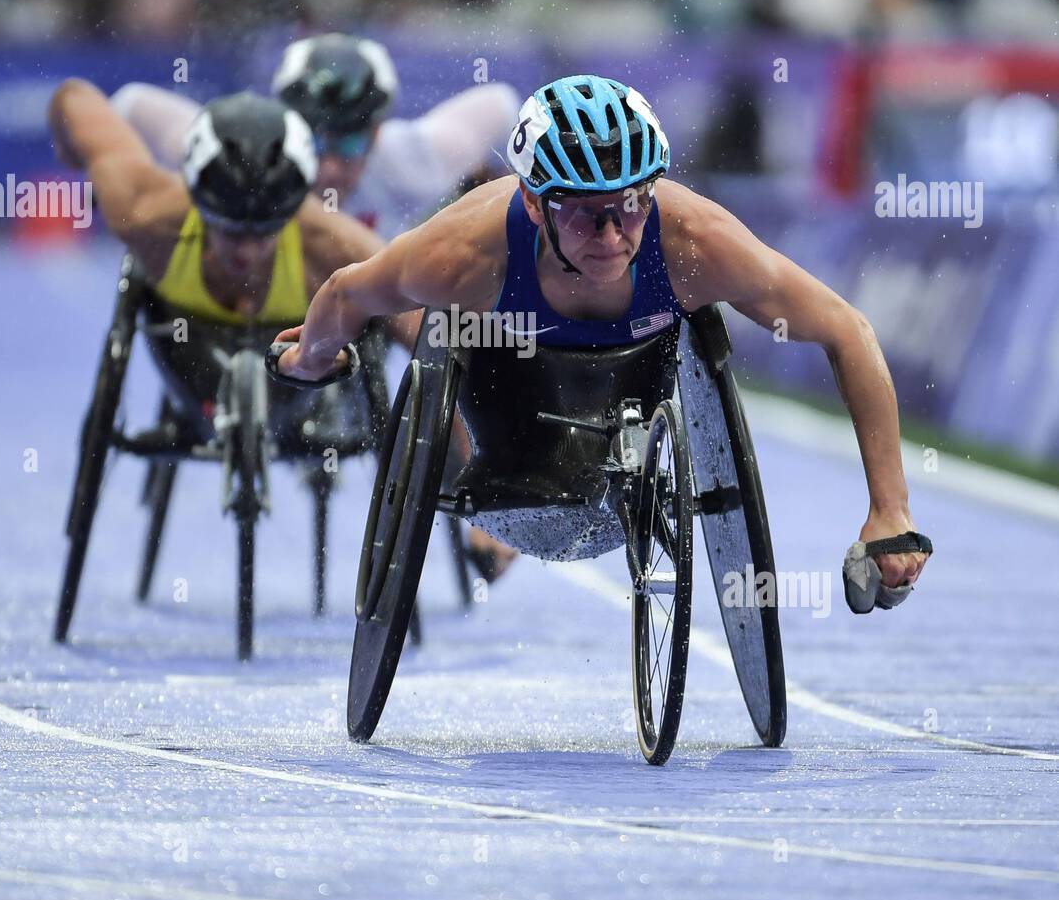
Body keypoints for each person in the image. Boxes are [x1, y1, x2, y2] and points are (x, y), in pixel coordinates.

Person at [271, 73, 932, 609]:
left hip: (633, 415)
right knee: (451, 331)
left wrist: (889, 510)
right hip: (505, 435)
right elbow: (346, 292)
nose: (614, 235)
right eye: (585, 214)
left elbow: (848, 330)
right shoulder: (463, 251)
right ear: (534, 204)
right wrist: (313, 359)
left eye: (631, 205)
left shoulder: (699, 244)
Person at [48, 79, 400, 441]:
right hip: (188, 352)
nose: (246, 252)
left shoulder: (333, 242)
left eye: (264, 232)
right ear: (199, 205)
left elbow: (419, 323)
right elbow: (73, 97)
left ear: (291, 211)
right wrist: (70, 152)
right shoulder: (145, 212)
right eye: (231, 232)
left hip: (296, 372)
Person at [110, 32, 520, 237]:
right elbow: (129, 104)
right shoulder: (241, 152)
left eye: (349, 146)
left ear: (377, 133)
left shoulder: (417, 159)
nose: (328, 169)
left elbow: (503, 104)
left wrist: (505, 186)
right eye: (313, 143)